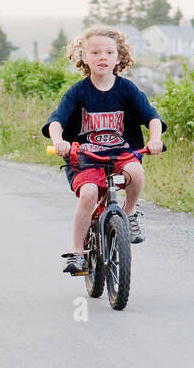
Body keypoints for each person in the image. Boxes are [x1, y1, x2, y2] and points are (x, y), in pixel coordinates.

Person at [43, 25, 166, 275]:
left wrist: (154, 139)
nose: (102, 57)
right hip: (85, 158)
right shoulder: (78, 92)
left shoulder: (127, 89)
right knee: (88, 195)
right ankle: (77, 252)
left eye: (109, 53)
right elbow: (56, 121)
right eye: (96, 52)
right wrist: (59, 141)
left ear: (119, 58)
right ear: (85, 58)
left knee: (136, 172)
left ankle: (129, 214)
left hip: (122, 153)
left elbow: (152, 117)